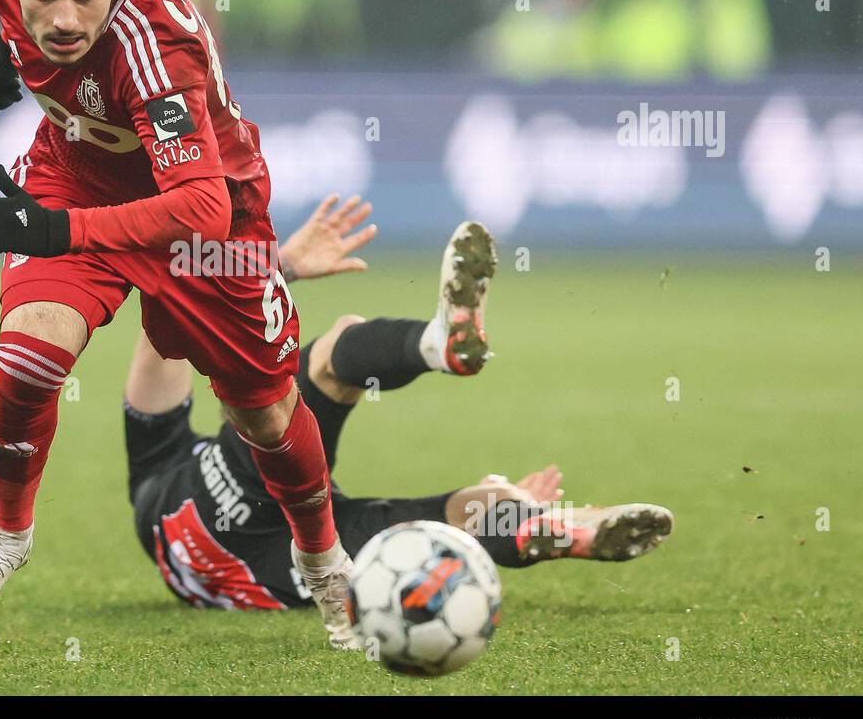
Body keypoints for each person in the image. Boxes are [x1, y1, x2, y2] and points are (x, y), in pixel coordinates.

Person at [0, 0, 391, 649]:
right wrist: (10, 51)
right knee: (28, 357)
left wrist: (53, 233)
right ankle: (4, 539)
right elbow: (39, 17)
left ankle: (323, 562)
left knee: (266, 417)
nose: (63, 15)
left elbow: (200, 205)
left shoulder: (156, 44)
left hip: (208, 223)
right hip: (74, 174)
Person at [122, 196, 674, 609]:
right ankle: (435, 345)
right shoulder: (157, 480)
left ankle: (550, 526)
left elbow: (169, 338)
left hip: (286, 576)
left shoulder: (159, 506)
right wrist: (278, 266)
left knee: (464, 516)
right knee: (332, 351)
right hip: (280, 534)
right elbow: (168, 333)